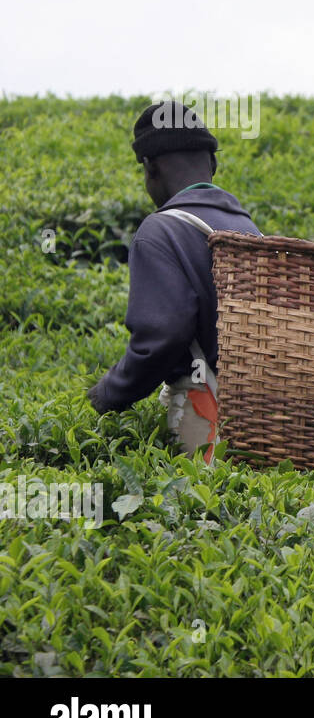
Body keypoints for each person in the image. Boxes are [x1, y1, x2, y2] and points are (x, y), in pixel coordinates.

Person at [87, 102, 260, 461]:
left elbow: (163, 336)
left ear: (150, 168)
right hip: (258, 417)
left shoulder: (160, 231)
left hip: (205, 419)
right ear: (213, 164)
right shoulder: (250, 231)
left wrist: (107, 394)